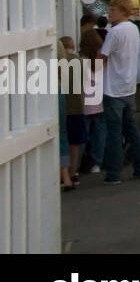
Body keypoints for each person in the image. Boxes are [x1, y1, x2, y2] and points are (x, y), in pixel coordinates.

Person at [98, 0, 140, 184]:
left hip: (113, 86)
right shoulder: (133, 29)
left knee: (114, 132)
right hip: (128, 84)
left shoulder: (115, 32)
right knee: (132, 130)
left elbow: (102, 56)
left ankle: (114, 172)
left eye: (113, 10)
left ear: (122, 11)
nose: (110, 13)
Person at [79, 16, 105, 175]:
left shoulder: (81, 61)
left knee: (84, 136)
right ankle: (97, 162)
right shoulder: (101, 59)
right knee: (100, 135)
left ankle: (79, 164)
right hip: (100, 100)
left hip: (85, 103)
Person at [60, 37, 85, 191]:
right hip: (76, 106)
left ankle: (63, 174)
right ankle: (73, 171)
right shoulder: (79, 61)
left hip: (63, 106)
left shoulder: (56, 61)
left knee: (63, 139)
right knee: (75, 142)